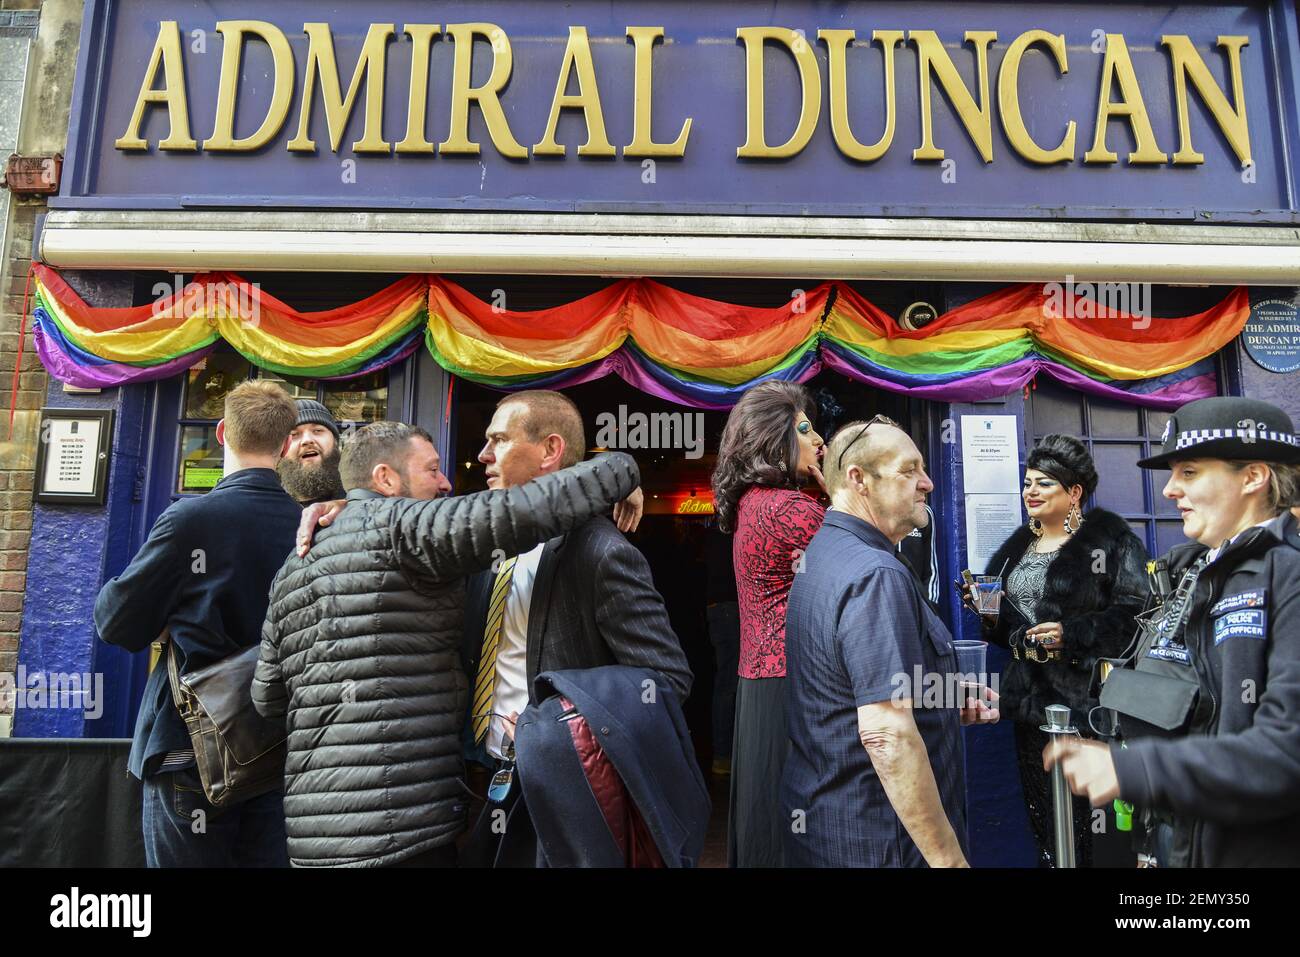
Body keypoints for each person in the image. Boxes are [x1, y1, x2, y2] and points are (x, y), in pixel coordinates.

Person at [253, 421, 641, 868]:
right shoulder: (407, 527)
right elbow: (530, 508)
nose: (445, 482)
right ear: (386, 479)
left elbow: (267, 698)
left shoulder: (291, 567)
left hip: (313, 835)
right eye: (432, 469)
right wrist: (621, 467)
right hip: (402, 829)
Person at [1047, 397, 1300, 867]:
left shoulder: (1289, 574)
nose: (1168, 490)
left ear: (1253, 476)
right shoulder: (1186, 573)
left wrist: (1134, 769)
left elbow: (1287, 752)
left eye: (1189, 472)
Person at [458, 390, 692, 867]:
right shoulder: (482, 539)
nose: (483, 455)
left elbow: (665, 680)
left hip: (557, 792)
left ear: (550, 451)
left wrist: (552, 721)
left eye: (499, 440)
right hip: (480, 778)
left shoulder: (603, 552)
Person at [95, 381, 302, 867]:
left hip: (191, 748)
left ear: (223, 432)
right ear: (289, 441)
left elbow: (116, 623)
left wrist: (168, 615)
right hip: (279, 749)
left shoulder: (192, 517)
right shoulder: (309, 523)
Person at [783, 417, 999, 868]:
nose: (928, 482)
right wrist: (949, 862)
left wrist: (938, 699)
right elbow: (884, 734)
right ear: (858, 479)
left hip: (835, 830)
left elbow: (849, 686)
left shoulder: (824, 550)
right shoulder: (875, 573)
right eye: (909, 470)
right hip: (884, 842)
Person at [970, 434, 1148, 867]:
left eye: (1044, 483)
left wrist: (1072, 632)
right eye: (1027, 482)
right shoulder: (1018, 548)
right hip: (1030, 706)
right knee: (1046, 819)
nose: (1030, 491)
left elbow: (1137, 616)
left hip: (1089, 704)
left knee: (1093, 824)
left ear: (1074, 493)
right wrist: (990, 615)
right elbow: (1009, 634)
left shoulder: (1110, 540)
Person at [711, 380, 827, 867]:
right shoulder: (790, 509)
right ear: (772, 440)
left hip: (761, 685)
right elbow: (864, 564)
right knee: (799, 832)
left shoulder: (753, 503)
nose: (820, 439)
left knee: (768, 827)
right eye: (805, 429)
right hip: (791, 686)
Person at [704, 519, 740, 776]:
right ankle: (727, 754)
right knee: (731, 683)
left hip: (718, 607)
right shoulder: (735, 526)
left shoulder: (717, 530)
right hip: (731, 607)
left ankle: (723, 756)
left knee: (726, 682)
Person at [276, 398, 345, 505]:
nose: (307, 440)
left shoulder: (359, 502)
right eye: (294, 434)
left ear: (335, 441)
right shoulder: (268, 504)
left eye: (317, 431)